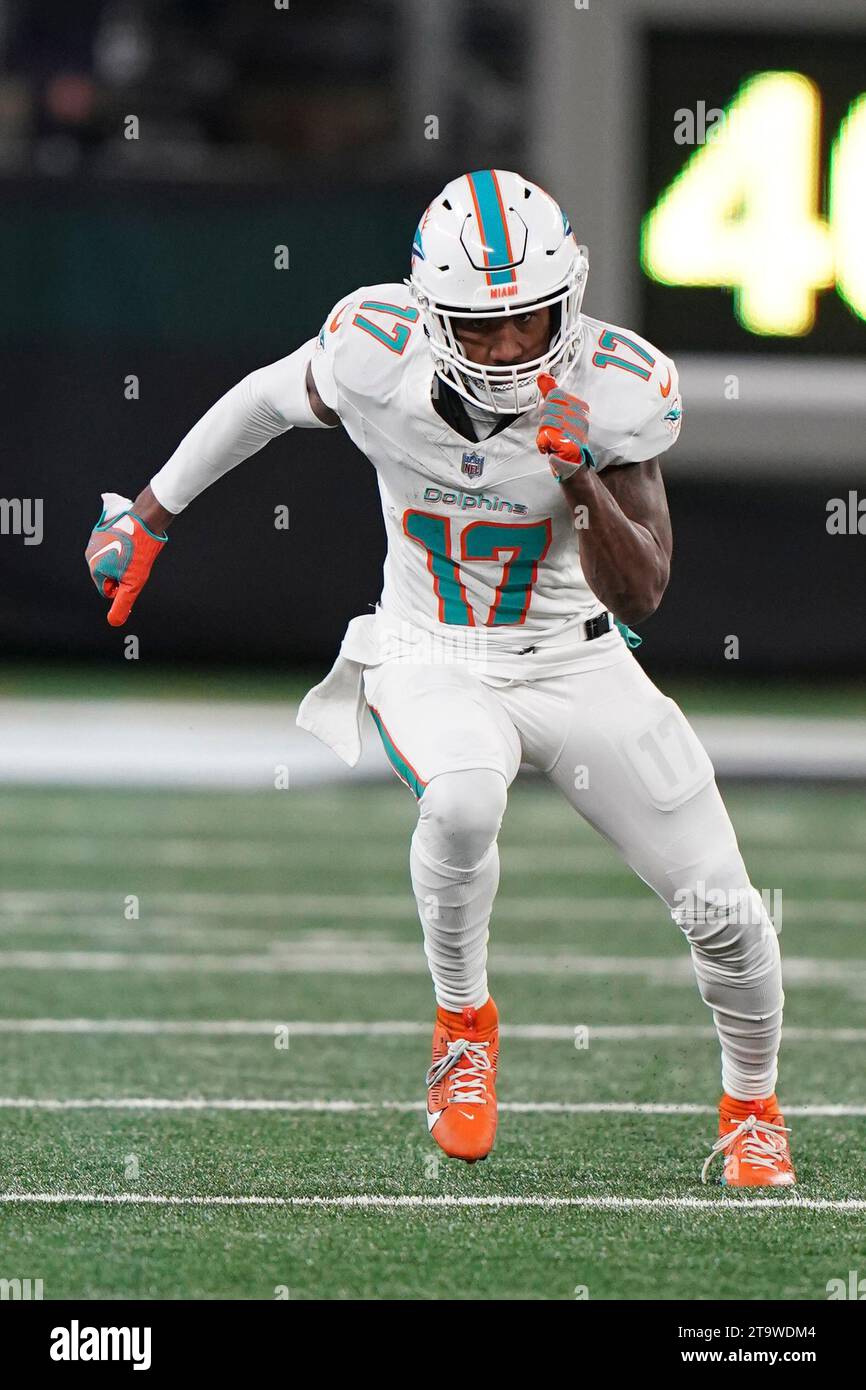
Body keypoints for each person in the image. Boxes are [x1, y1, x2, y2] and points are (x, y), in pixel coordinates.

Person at [85, 169, 794, 1185]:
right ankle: (463, 1023)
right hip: (429, 652)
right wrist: (151, 511)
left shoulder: (616, 387)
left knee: (725, 906)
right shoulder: (372, 353)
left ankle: (751, 1106)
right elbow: (265, 399)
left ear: (569, 300)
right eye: (478, 329)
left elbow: (642, 595)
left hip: (575, 658)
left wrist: (575, 474)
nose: (506, 348)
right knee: (460, 801)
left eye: (527, 321)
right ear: (428, 316)